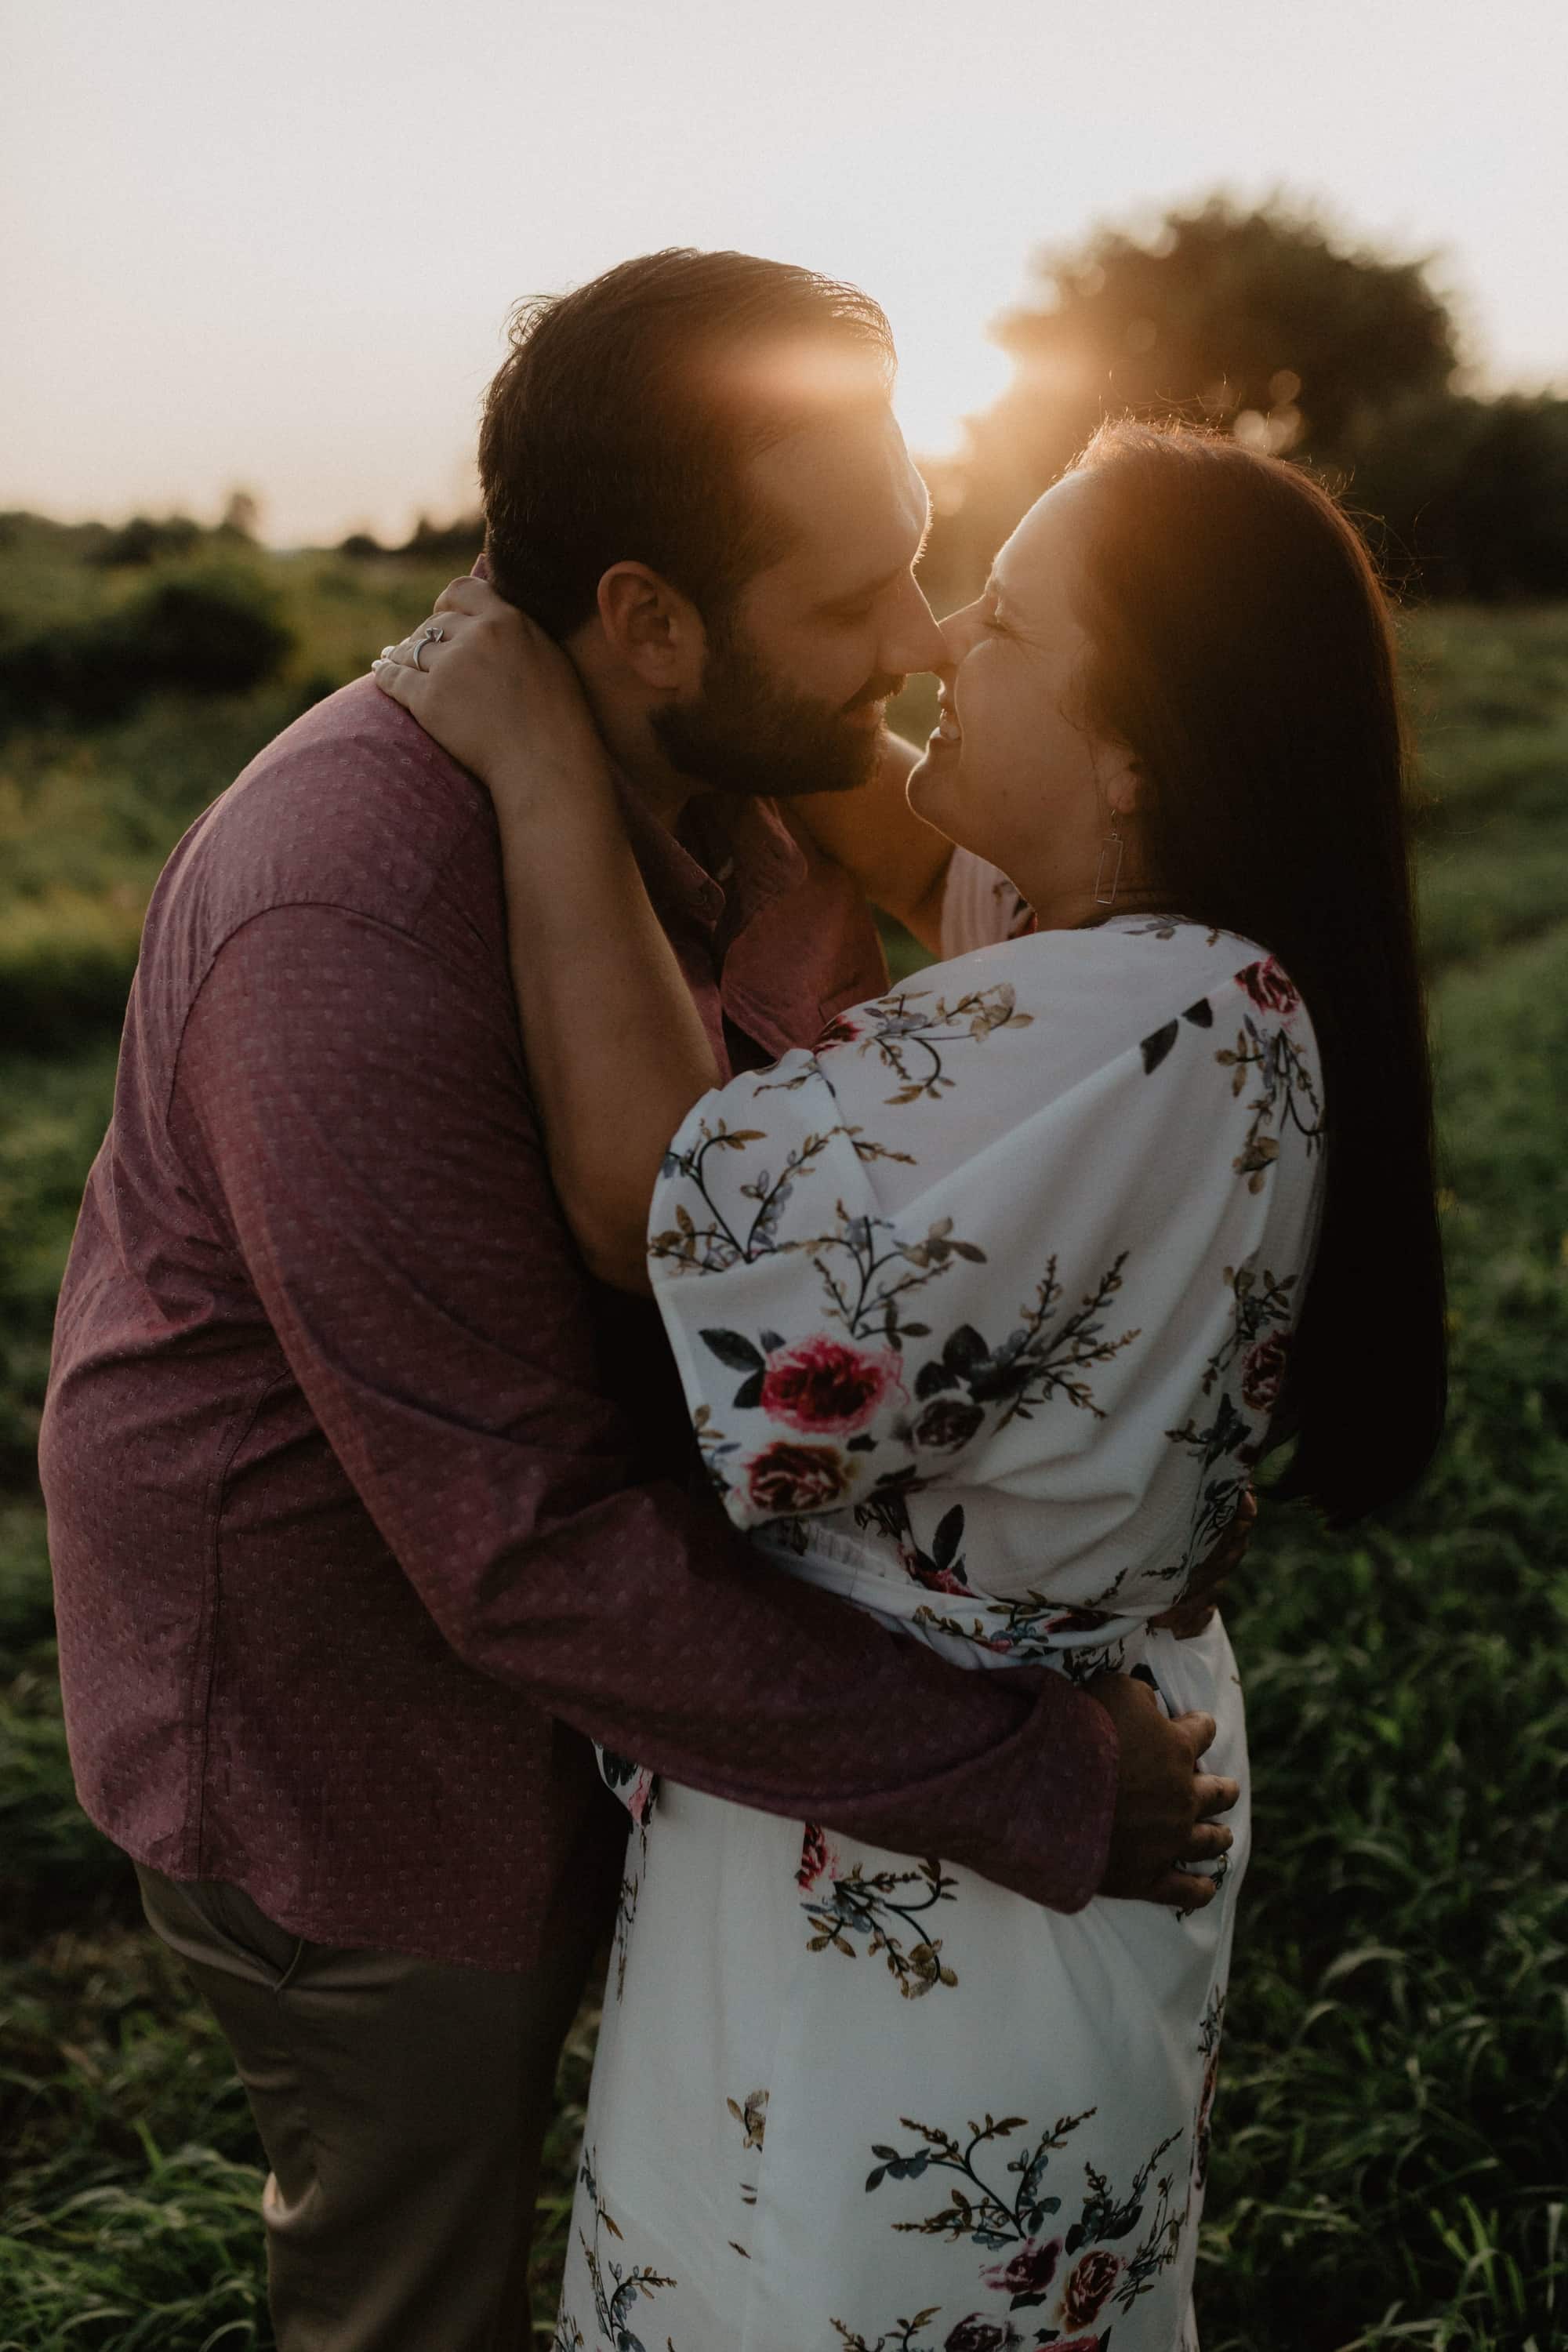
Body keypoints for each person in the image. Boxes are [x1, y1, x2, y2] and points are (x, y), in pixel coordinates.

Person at [38, 253, 1245, 2352]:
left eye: (926, 566)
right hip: (378, 1756)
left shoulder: (735, 757)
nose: (920, 639)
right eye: (854, 597)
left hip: (650, 1691)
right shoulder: (345, 915)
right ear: (646, 620)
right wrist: (1032, 1780)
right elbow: (521, 1554)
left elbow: (951, 990)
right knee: (421, 2290)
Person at [372, 414, 1446, 2350]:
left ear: (1136, 752)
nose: (942, 637)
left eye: (1004, 622)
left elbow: (660, 1204)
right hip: (957, 1813)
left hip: (941, 1855)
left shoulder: (1133, 1024)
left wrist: (540, 768)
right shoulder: (1159, 959)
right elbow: (906, 824)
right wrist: (765, 661)